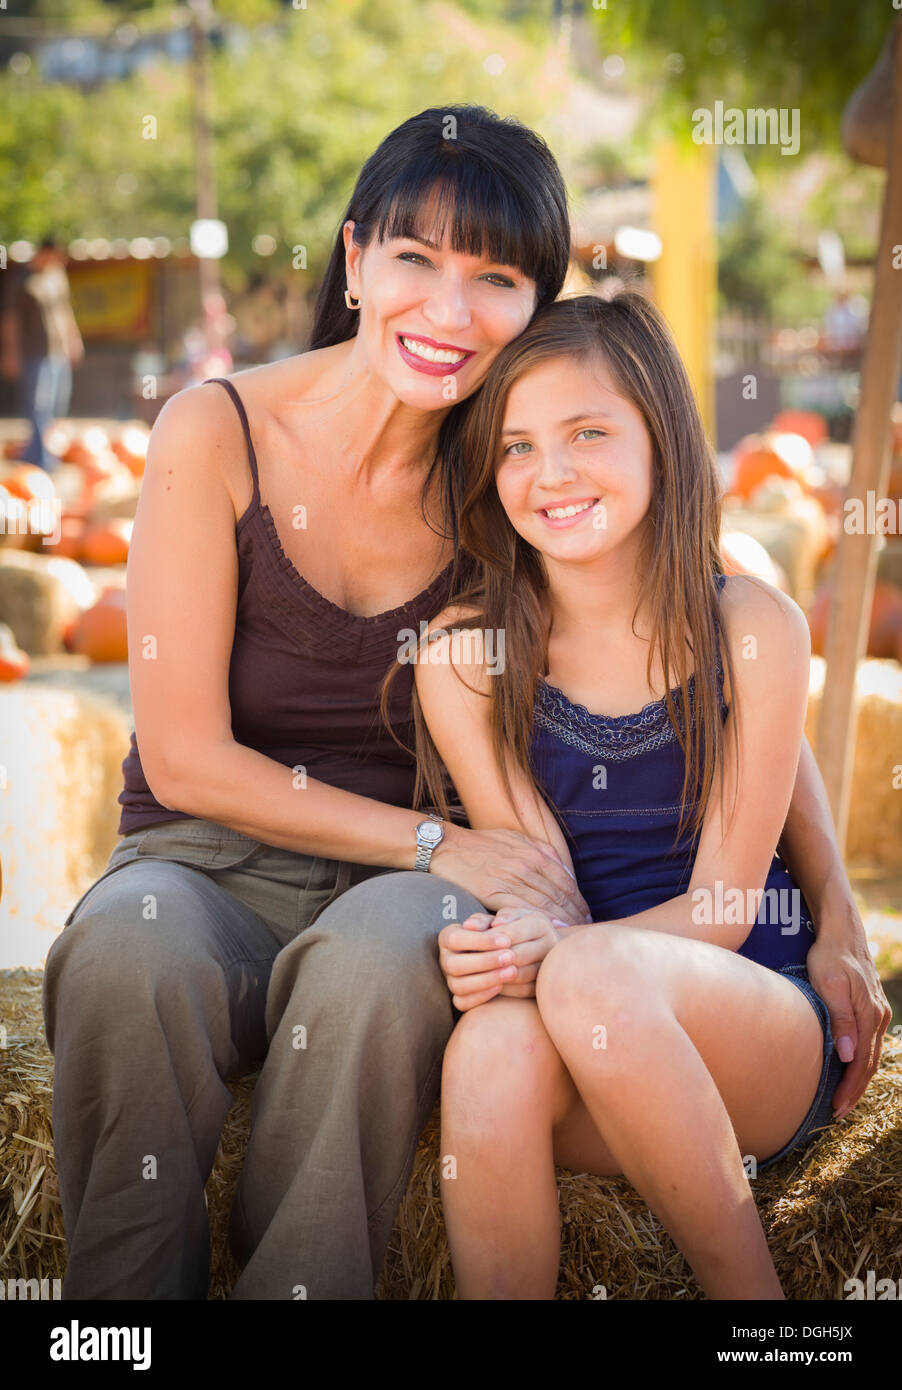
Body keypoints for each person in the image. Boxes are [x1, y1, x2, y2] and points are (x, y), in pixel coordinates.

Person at [41, 105, 885, 1303]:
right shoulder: (216, 430)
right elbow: (182, 759)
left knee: (383, 963)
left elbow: (727, 638)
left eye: (494, 280)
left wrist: (838, 911)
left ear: (537, 309)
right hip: (220, 853)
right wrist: (451, 842)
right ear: (351, 260)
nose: (447, 311)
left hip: (416, 890)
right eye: (414, 260)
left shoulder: (513, 464)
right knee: (130, 957)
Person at [407, 291, 892, 1300]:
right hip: (584, 1039)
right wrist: (500, 944)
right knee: (489, 1045)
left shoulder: (746, 626)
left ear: (661, 437)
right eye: (516, 447)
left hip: (749, 1026)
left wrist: (565, 953)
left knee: (587, 974)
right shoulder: (463, 658)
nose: (552, 473)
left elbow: (720, 913)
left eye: (588, 432)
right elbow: (542, 889)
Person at [0, 236, 84, 472]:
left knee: (56, 407)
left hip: (58, 352)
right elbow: (10, 320)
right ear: (45, 253)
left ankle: (42, 454)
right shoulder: (22, 280)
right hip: (33, 353)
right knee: (37, 407)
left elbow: (65, 310)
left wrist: (74, 339)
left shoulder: (56, 275)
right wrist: (10, 352)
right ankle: (41, 461)